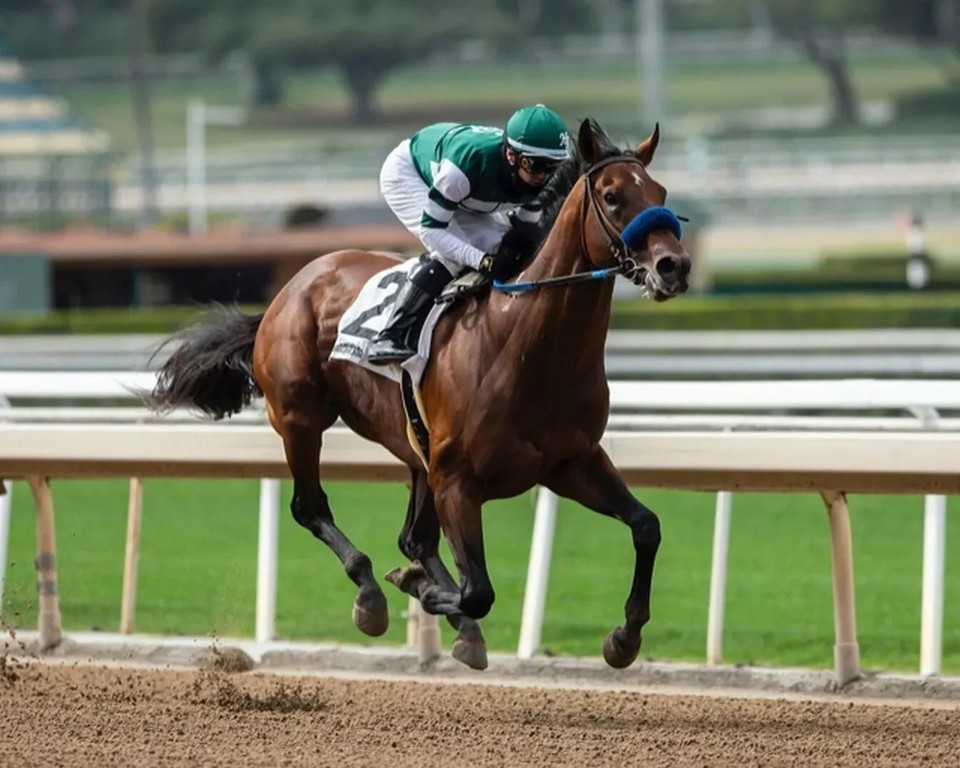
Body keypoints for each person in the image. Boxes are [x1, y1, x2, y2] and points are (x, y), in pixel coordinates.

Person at [365, 103, 571, 365]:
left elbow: (525, 229)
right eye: (535, 165)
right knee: (454, 254)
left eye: (552, 167)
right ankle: (391, 332)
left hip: (469, 191)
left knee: (500, 246)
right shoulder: (463, 169)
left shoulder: (540, 176)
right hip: (411, 173)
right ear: (511, 155)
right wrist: (480, 260)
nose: (543, 177)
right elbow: (433, 231)